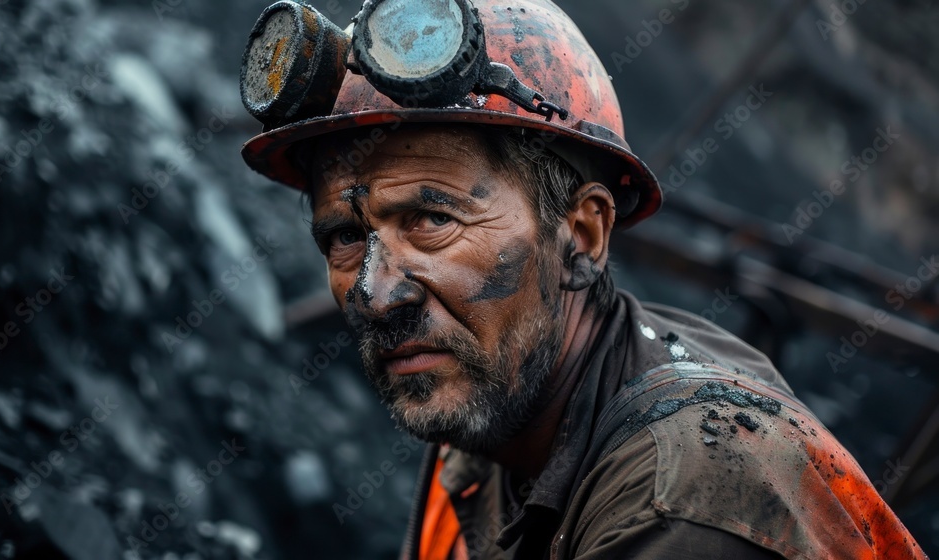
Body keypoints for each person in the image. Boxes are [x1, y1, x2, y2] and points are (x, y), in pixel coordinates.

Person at [238, 0, 927, 557]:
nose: (376, 294)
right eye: (346, 236)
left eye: (430, 219)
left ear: (583, 234)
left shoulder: (686, 502)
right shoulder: (493, 402)